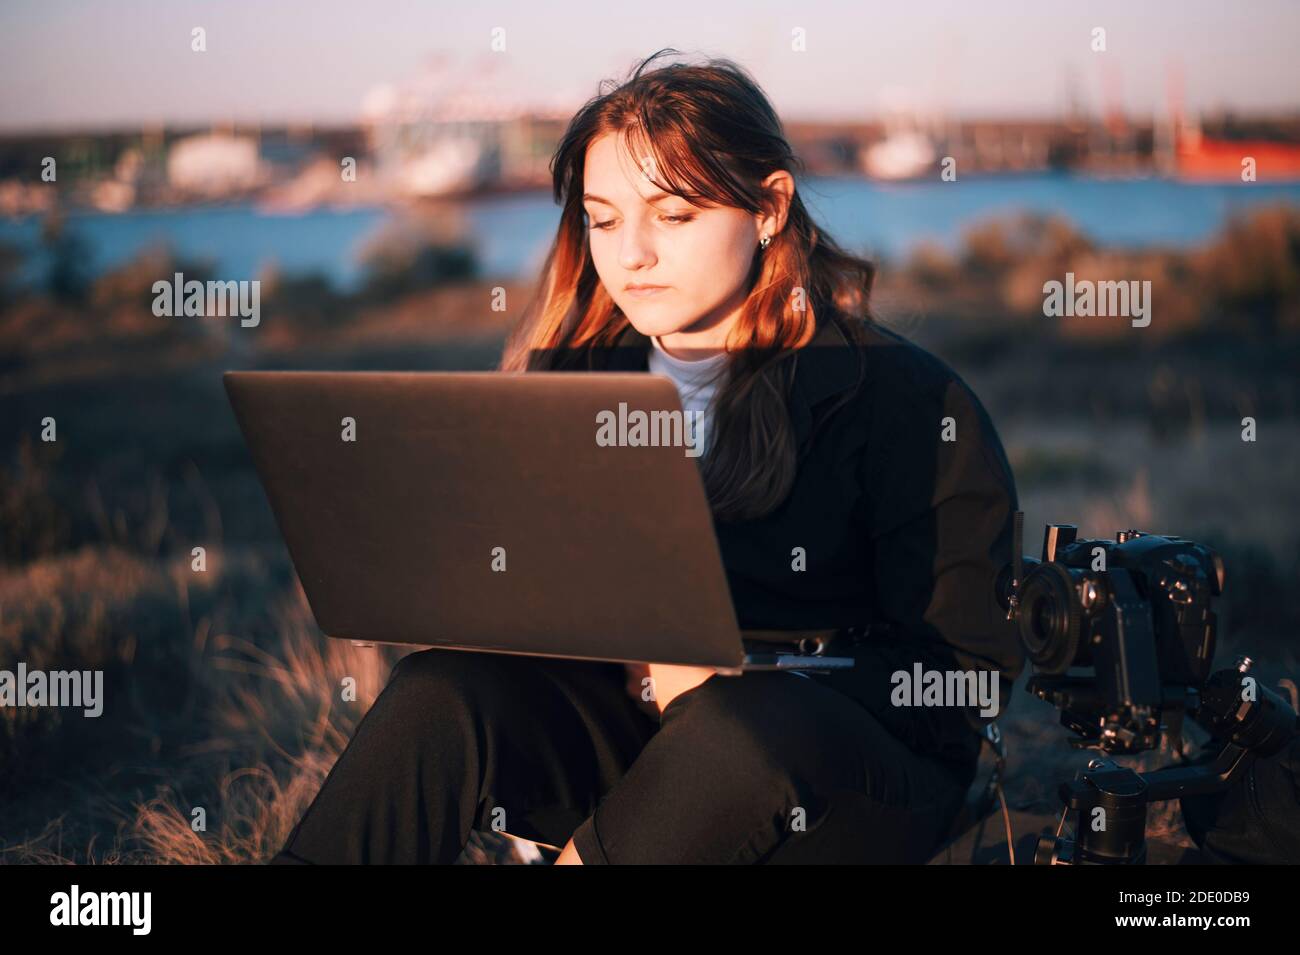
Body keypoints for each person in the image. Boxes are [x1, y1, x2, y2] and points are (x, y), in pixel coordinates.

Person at [270, 49, 1023, 865]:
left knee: (732, 727)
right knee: (438, 692)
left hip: (835, 775)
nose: (630, 254)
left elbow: (966, 679)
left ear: (768, 207)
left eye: (674, 216)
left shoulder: (904, 401)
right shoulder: (572, 382)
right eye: (603, 218)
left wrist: (749, 672)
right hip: (638, 739)